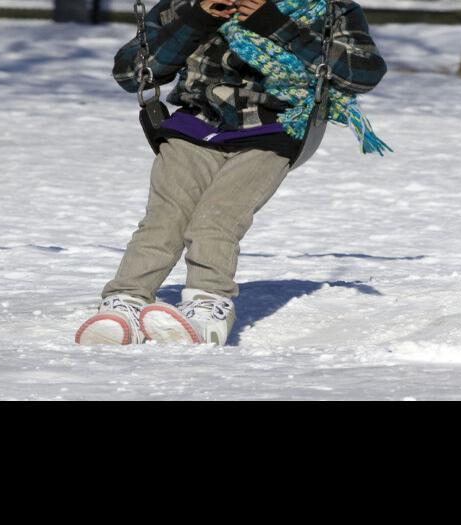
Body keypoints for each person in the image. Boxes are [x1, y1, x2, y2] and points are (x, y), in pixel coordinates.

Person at [75, 0, 387, 346]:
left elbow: (364, 73)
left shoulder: (326, 9)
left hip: (277, 127)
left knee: (217, 218)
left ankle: (207, 305)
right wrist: (197, 19)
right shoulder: (183, 6)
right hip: (196, 123)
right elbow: (131, 73)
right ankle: (126, 300)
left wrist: (275, 24)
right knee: (165, 218)